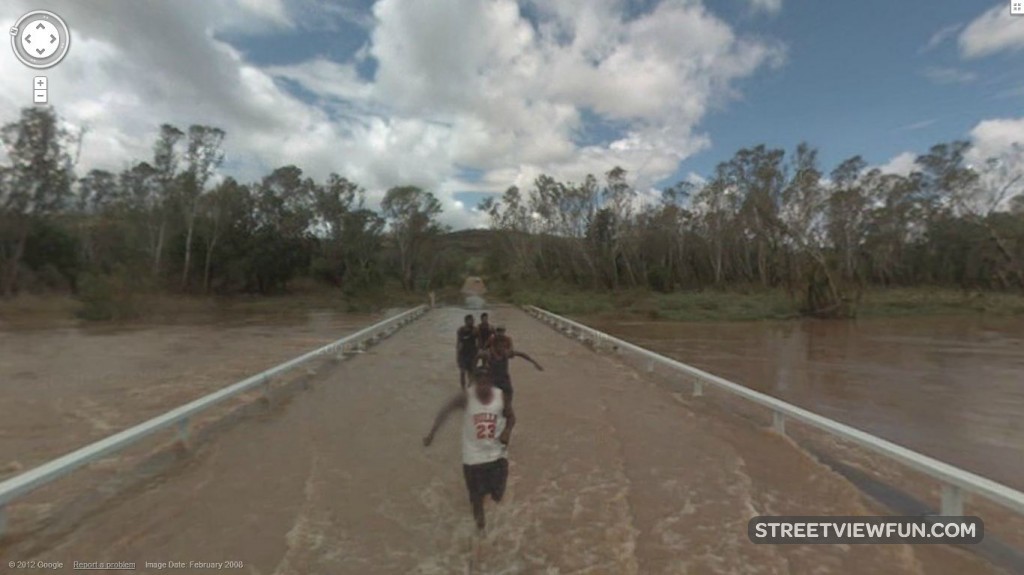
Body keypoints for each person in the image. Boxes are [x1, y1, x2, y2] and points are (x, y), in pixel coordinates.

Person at [423, 366, 515, 531]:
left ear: (491, 382)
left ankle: (486, 495)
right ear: (474, 382)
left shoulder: (501, 396)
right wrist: (432, 434)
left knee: (497, 495)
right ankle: (481, 533)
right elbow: (445, 411)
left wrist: (507, 431)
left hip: (497, 454)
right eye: (479, 383)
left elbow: (511, 416)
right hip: (473, 458)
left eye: (486, 383)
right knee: (476, 499)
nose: (483, 387)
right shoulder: (466, 398)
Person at [479, 325, 542, 406]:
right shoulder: (490, 350)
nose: (501, 348)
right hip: (492, 380)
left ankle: (507, 410)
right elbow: (479, 354)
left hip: (504, 379)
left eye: (503, 346)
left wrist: (535, 363)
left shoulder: (507, 350)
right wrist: (480, 368)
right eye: (498, 331)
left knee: (508, 400)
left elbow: (522, 354)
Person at [456, 314, 478, 389]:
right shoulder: (461, 330)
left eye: (473, 320)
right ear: (466, 321)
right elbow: (458, 343)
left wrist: (477, 353)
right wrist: (458, 355)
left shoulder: (475, 330)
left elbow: (479, 342)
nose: (472, 322)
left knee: (471, 372)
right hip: (463, 354)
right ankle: (463, 389)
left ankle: (470, 387)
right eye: (470, 320)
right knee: (462, 372)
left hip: (472, 353)